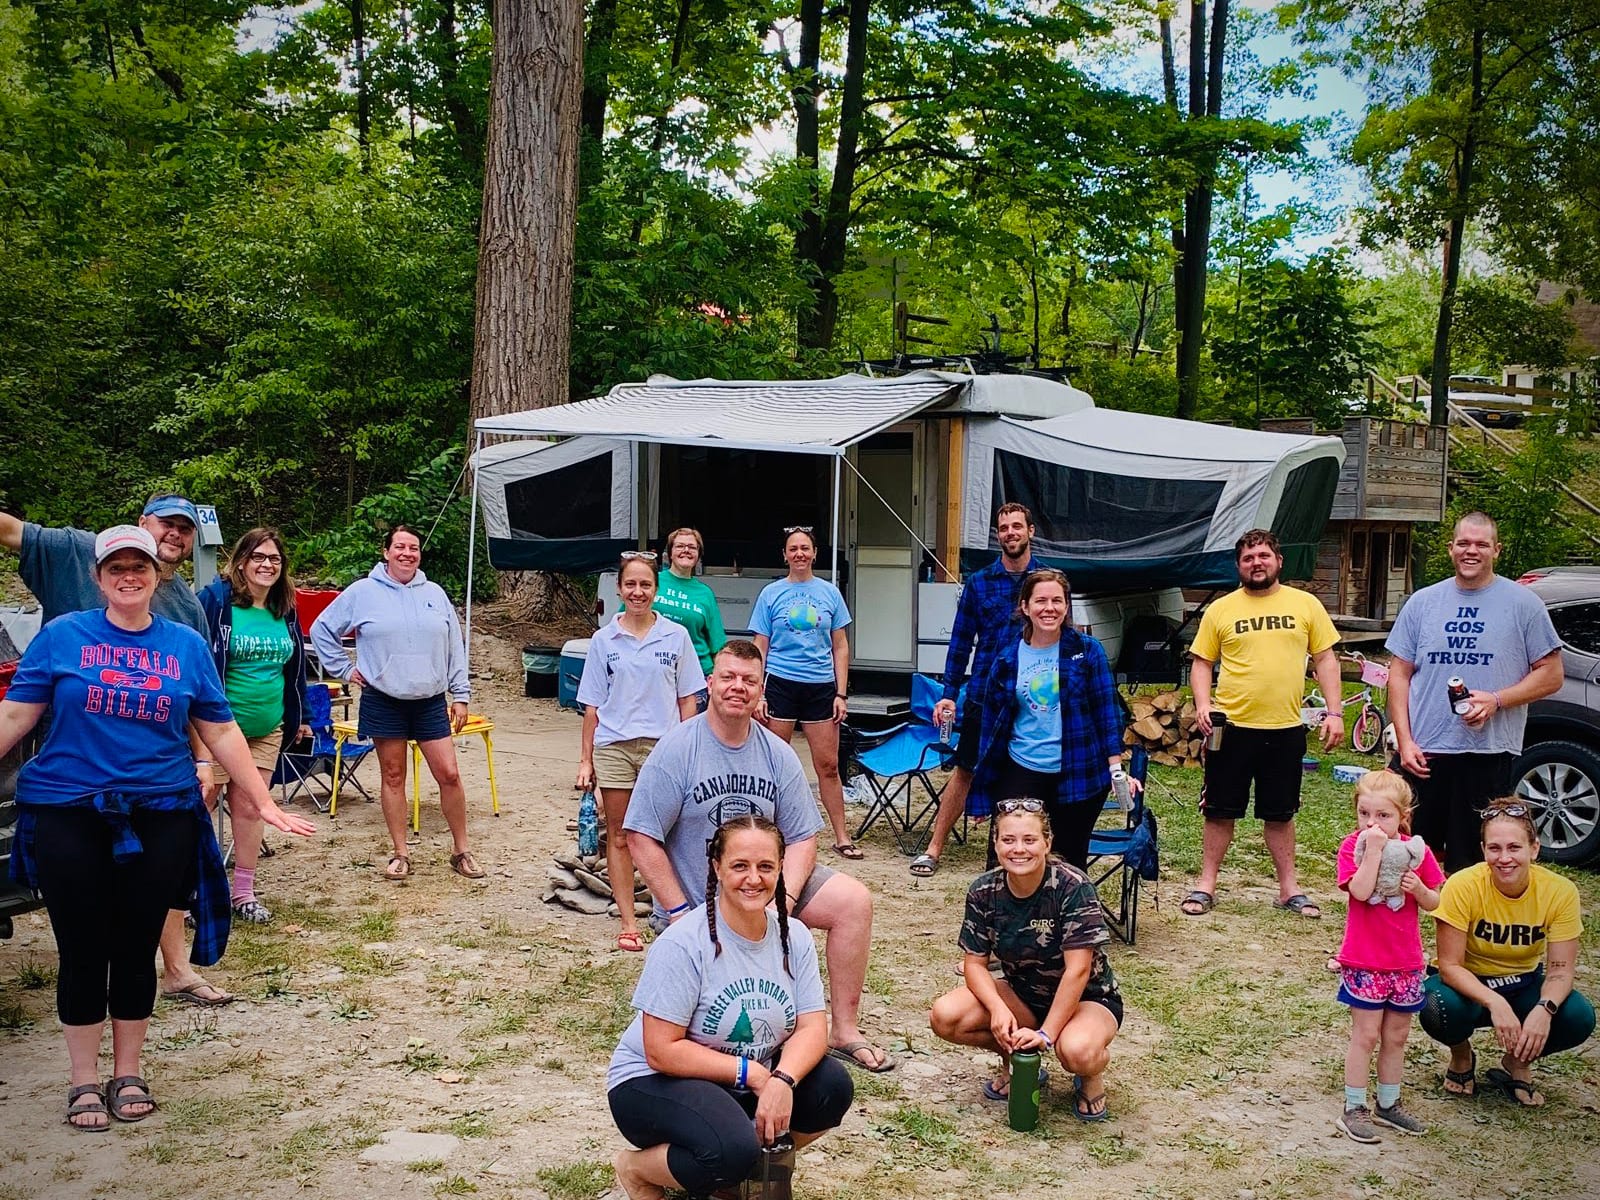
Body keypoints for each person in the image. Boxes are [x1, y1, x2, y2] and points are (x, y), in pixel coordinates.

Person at [0, 526, 315, 1131]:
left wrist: (261, 799)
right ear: (98, 578)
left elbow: (220, 729)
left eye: (138, 566)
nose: (128, 575)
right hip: (70, 812)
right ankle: (83, 1080)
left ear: (155, 574)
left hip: (162, 813)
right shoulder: (63, 637)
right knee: (84, 948)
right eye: (115, 566)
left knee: (136, 944)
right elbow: (17, 713)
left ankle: (128, 1069)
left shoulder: (184, 645)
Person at [0, 493, 232, 1006]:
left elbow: (198, 699)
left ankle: (170, 970)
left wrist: (201, 761)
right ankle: (90, 992)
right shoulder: (75, 551)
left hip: (157, 780)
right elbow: (12, 530)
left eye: (185, 529)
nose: (175, 534)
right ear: (140, 524)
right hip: (76, 774)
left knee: (155, 884)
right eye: (166, 523)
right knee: (87, 909)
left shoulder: (187, 607)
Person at [626, 639, 892, 1073]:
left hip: (765, 885)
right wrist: (677, 911)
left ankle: (843, 1028)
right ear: (709, 683)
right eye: (728, 677)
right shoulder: (677, 749)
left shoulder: (777, 753)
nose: (738, 688)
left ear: (761, 688)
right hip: (700, 895)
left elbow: (804, 837)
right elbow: (640, 835)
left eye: (749, 680)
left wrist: (781, 905)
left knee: (853, 901)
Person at [608, 815, 853, 1200]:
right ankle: (639, 1170)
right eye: (740, 865)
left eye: (765, 866)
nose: (753, 878)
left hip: (740, 1078)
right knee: (730, 1151)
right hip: (652, 1081)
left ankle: (736, 1173)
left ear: (781, 869)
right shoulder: (684, 943)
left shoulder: (795, 936)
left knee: (831, 1088)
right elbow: (660, 1048)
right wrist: (755, 1076)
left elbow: (811, 1027)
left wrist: (783, 1080)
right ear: (716, 867)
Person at [1386, 513, 1563, 872]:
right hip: (1424, 754)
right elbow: (1398, 675)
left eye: (1481, 544)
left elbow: (1551, 675)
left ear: (1496, 550)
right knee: (1406, 856)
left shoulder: (1523, 604)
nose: (1472, 551)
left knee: (1473, 863)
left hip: (1488, 753)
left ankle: (1465, 924)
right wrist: (1404, 741)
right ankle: (1407, 924)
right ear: (1451, 548)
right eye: (1464, 543)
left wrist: (1497, 701)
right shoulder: (1422, 602)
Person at [1182, 529, 1344, 920]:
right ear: (1239, 566)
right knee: (1219, 809)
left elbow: (1325, 659)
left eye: (1263, 555)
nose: (1257, 562)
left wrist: (1336, 713)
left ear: (1278, 561)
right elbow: (1202, 662)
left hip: (1285, 728)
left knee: (1280, 811)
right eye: (1249, 557)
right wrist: (1204, 704)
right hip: (1230, 727)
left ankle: (1289, 888)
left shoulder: (1305, 605)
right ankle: (1206, 885)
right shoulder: (1222, 609)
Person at [928, 800, 1123, 1121]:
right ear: (995, 843)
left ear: (1047, 842)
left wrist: (1047, 1034)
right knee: (946, 1016)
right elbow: (974, 964)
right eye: (1008, 840)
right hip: (1022, 994)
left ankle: (1090, 1075)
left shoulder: (1073, 887)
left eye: (1029, 840)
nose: (1019, 849)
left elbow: (1079, 970)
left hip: (1087, 998)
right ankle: (1016, 1058)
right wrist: (998, 1010)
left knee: (1077, 1052)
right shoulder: (983, 890)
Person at [309, 525, 481, 882]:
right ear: (386, 552)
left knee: (449, 774)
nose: (407, 553)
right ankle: (401, 853)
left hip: (430, 700)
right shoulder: (363, 592)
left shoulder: (434, 593)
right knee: (393, 775)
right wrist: (345, 669)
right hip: (384, 699)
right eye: (399, 547)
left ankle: (461, 850)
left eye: (413, 548)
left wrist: (460, 694)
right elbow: (321, 628)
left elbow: (454, 647)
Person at [1420, 797, 1594, 1108]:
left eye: (1514, 848)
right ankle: (1461, 1053)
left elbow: (1560, 971)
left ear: (1534, 849)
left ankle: (1517, 1061)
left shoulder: (1560, 892)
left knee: (1578, 1016)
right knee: (1436, 1005)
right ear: (1483, 849)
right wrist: (1494, 1001)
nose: (1504, 858)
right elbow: (1449, 965)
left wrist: (1545, 1008)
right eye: (1494, 848)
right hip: (1467, 985)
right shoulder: (1462, 885)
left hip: (1523, 983)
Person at [577, 552, 706, 952]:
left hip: (664, 747)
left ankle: (674, 913)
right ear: (619, 589)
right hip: (614, 746)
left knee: (670, 832)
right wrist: (585, 761)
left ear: (656, 589)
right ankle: (628, 922)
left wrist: (687, 747)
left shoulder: (676, 636)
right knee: (620, 835)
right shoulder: (604, 640)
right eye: (630, 585)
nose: (638, 592)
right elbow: (592, 706)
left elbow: (689, 698)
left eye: (645, 585)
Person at [968, 569, 1135, 870]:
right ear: (1025, 607)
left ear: (1067, 607)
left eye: (1057, 601)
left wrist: (1115, 769)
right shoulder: (1007, 659)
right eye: (1040, 600)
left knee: (1068, 861)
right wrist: (982, 790)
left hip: (1079, 772)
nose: (1049, 608)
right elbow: (990, 730)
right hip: (1022, 768)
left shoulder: (1087, 651)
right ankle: (1010, 916)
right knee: (1012, 857)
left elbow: (1106, 712)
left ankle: (1070, 916)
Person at [918, 503, 1043, 877]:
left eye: (1017, 526)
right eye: (1003, 528)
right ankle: (934, 848)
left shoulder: (1047, 582)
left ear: (1030, 531)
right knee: (965, 770)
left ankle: (1015, 856)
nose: (1010, 533)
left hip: (1033, 698)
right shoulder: (980, 582)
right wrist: (948, 693)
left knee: (1024, 773)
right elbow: (960, 642)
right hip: (984, 696)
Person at [198, 527, 311, 924]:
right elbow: (198, 660)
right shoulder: (216, 602)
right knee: (203, 804)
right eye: (259, 557)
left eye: (275, 559)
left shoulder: (285, 608)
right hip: (215, 728)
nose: (267, 565)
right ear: (241, 561)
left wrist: (302, 717)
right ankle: (193, 891)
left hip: (267, 727)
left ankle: (243, 893)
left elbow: (295, 670)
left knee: (250, 808)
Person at [1331, 771, 1444, 1143]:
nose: (1371, 823)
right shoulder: (1354, 848)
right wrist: (1375, 851)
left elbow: (1435, 902)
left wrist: (1421, 889)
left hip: (1406, 962)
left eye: (1383, 816)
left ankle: (1389, 1103)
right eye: (1365, 814)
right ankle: (1354, 1106)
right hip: (1364, 960)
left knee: (1396, 1035)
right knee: (1365, 1035)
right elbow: (1361, 892)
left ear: (1402, 816)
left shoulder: (1417, 850)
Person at [750, 526, 856, 858]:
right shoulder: (771, 594)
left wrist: (841, 693)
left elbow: (840, 646)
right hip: (780, 682)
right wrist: (759, 693)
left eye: (805, 548)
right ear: (785, 555)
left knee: (828, 766)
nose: (799, 554)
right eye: (793, 549)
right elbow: (760, 645)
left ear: (814, 554)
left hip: (820, 686)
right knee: (773, 764)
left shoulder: (830, 593)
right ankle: (768, 833)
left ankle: (841, 836)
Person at [651, 528, 726, 711]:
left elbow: (717, 644)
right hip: (655, 674)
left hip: (696, 679)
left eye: (692, 547)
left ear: (698, 554)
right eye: (680, 546)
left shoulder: (705, 593)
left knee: (689, 737)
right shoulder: (652, 582)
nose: (686, 550)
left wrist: (719, 679)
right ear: (669, 553)